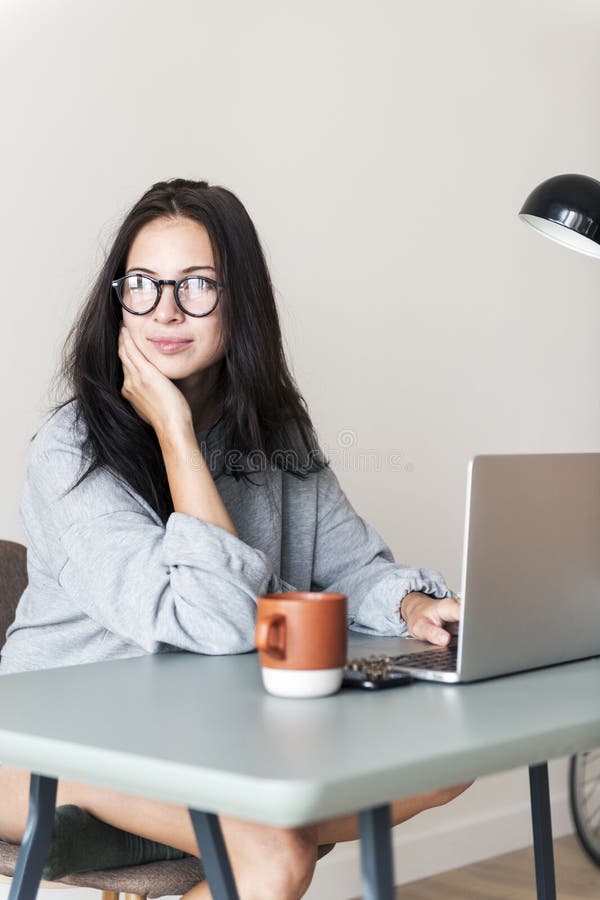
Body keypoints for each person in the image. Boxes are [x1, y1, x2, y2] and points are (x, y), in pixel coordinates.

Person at [0, 178, 471, 899]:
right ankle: (213, 828)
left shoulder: (274, 434)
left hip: (193, 736)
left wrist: (410, 603)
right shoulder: (72, 449)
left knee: (443, 767)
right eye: (143, 285)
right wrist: (176, 435)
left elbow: (349, 565)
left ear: (239, 302)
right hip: (41, 738)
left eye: (197, 286)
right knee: (278, 851)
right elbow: (213, 625)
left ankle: (189, 826)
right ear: (116, 297)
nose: (165, 310)